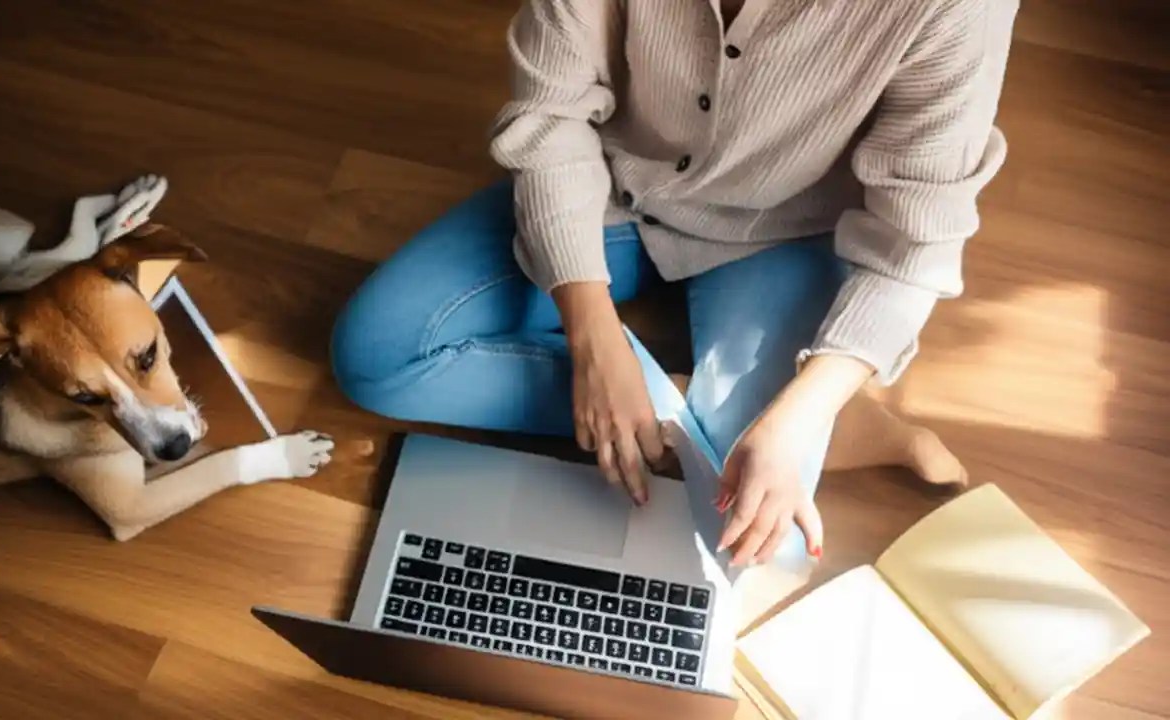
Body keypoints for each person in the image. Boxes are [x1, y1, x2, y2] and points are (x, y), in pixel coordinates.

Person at [332, 0, 1016, 570]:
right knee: (376, 359)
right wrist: (595, 341)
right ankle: (694, 410)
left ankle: (844, 424)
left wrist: (798, 413)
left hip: (783, 231)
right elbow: (550, 118)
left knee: (746, 543)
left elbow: (916, 242)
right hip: (611, 184)